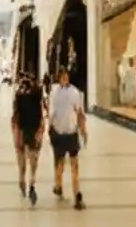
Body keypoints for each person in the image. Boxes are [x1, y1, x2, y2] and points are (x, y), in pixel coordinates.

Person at [47, 68, 87, 210]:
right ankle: (58, 185)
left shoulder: (74, 93)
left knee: (74, 165)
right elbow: (51, 112)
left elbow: (80, 112)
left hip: (70, 132)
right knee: (60, 164)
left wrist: (83, 130)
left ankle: (77, 194)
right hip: (59, 132)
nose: (64, 79)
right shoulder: (54, 92)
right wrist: (49, 127)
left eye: (66, 77)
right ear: (59, 78)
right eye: (62, 77)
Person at [12, 73, 46, 205]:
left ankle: (22, 178)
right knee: (33, 158)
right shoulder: (37, 98)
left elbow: (15, 117)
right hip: (33, 129)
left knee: (21, 158)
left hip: (21, 130)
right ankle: (31, 181)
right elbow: (41, 118)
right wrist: (40, 132)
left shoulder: (19, 98)